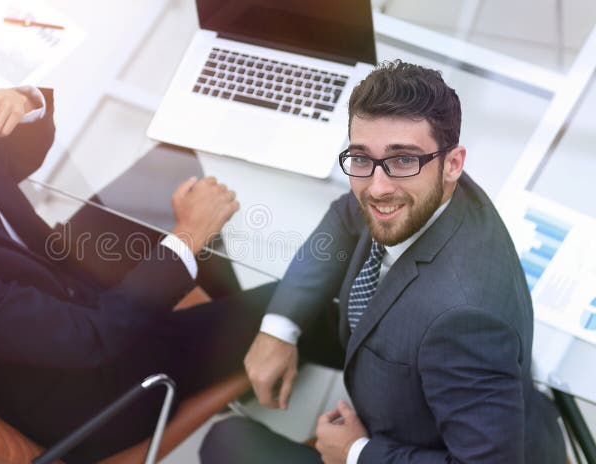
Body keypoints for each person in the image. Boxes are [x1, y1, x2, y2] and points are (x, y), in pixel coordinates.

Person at [0, 28, 273, 462]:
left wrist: (22, 102)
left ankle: (251, 350)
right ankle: (275, 344)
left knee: (168, 168)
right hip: (101, 387)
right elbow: (93, 339)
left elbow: (7, 163)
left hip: (49, 272)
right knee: (293, 306)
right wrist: (189, 236)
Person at [200, 61, 567, 463]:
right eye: (361, 158)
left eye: (403, 160)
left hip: (440, 442)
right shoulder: (432, 188)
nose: (376, 188)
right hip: (407, 372)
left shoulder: (464, 318)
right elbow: (345, 215)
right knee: (249, 315)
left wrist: (358, 452)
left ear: (453, 164)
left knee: (225, 442)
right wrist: (279, 331)